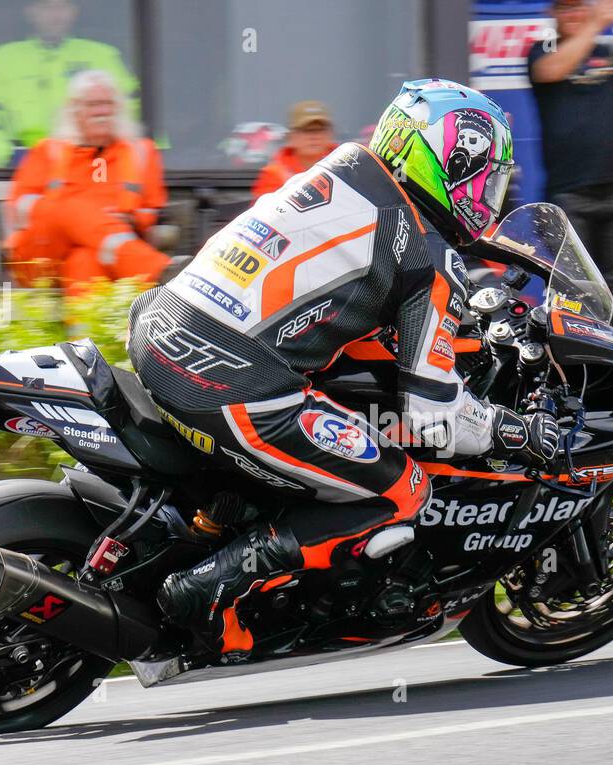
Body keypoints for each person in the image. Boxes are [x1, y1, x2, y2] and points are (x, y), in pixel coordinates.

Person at [126, 79, 559, 663]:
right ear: (451, 165)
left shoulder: (342, 169)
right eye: (487, 179)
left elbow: (333, 287)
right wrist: (516, 430)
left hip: (160, 327)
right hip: (225, 381)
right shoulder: (427, 255)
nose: (490, 197)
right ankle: (202, 591)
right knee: (400, 489)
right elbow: (433, 421)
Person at [526, 0, 613, 317]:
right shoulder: (542, 49)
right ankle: (573, 365)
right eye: (566, 8)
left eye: (579, 7)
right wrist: (596, 23)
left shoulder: (608, 49)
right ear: (553, 14)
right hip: (570, 196)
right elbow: (550, 71)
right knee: (573, 296)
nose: (573, 15)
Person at [5, 70, 172, 295]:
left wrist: (131, 219)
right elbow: (19, 207)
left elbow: (151, 209)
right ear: (74, 111)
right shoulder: (49, 150)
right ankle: (160, 270)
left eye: (107, 103)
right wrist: (72, 216)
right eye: (92, 104)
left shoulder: (142, 152)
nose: (101, 111)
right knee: (69, 208)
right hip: (42, 258)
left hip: (106, 261)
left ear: (118, 109)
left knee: (84, 261)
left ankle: (86, 330)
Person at [0, 0, 139, 168]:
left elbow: (132, 109)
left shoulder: (102, 55)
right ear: (31, 12)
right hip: (22, 171)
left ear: (74, 12)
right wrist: (8, 157)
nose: (56, 15)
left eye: (62, 7)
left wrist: (106, 156)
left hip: (91, 168)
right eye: (47, 7)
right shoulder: (2, 59)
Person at [251, 101, 339, 199]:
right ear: (291, 136)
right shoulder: (273, 175)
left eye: (320, 130)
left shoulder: (349, 169)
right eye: (306, 130)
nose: (314, 136)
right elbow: (264, 213)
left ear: (330, 134)